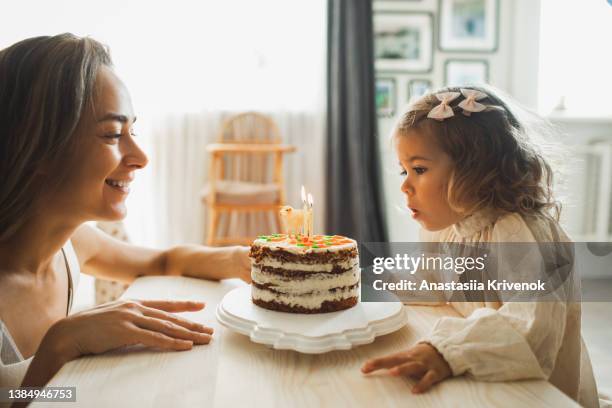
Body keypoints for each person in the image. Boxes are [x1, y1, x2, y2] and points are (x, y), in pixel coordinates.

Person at [0, 34, 250, 389]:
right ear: (37, 145)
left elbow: (161, 262)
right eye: (113, 134)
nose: (141, 157)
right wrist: (60, 345)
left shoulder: (71, 245)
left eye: (132, 130)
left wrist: (237, 258)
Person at [360, 87, 599, 407]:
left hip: (535, 393)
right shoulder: (447, 228)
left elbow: (531, 330)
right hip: (483, 378)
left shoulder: (517, 233)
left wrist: (446, 350)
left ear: (473, 170)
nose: (405, 185)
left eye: (419, 169)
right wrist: (364, 280)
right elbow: (432, 285)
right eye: (405, 170)